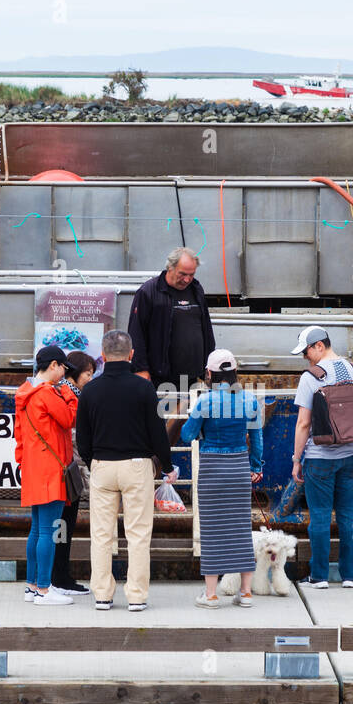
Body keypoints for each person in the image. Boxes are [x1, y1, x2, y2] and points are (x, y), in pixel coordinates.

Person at [76, 329, 178, 612]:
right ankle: (136, 596)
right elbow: (158, 433)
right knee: (138, 534)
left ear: (103, 355)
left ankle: (102, 595)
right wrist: (167, 466)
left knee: (101, 534)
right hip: (136, 466)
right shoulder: (144, 388)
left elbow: (82, 438)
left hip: (102, 466)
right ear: (131, 354)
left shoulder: (90, 390)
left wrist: (93, 461)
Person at [181, 349, 263, 608]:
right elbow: (257, 439)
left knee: (212, 530)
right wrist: (256, 466)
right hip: (239, 467)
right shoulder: (249, 400)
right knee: (241, 529)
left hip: (212, 468)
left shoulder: (205, 402)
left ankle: (211, 595)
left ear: (209, 373)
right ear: (235, 371)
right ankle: (246, 593)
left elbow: (187, 435)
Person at [290, 325, 353, 590]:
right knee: (348, 515)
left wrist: (297, 459)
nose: (305, 358)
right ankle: (350, 575)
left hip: (320, 456)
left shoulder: (311, 377)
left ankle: (319, 576)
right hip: (352, 453)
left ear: (319, 346)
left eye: (306, 352)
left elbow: (303, 423)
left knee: (320, 516)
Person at [14, 344, 78, 606]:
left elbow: (19, 434)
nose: (64, 374)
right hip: (51, 469)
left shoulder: (24, 392)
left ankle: (32, 586)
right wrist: (69, 393)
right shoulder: (47, 393)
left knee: (37, 530)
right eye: (63, 368)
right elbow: (70, 418)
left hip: (33, 466)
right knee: (50, 531)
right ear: (53, 365)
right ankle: (43, 589)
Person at [126, 247, 216, 392]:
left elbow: (206, 328)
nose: (187, 279)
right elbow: (136, 333)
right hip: (160, 377)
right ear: (170, 268)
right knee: (165, 407)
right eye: (182, 274)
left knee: (188, 407)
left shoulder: (196, 289)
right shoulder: (149, 292)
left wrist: (210, 363)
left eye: (191, 274)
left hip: (192, 376)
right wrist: (140, 368)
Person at [50, 350, 96, 596]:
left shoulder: (68, 393)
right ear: (75, 373)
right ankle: (59, 578)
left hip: (67, 469)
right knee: (62, 524)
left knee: (61, 524)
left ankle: (58, 575)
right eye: (88, 374)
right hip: (68, 470)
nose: (90, 379)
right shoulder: (69, 397)